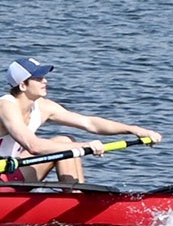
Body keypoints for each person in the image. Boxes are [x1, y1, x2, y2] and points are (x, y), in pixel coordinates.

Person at [0, 56, 162, 184]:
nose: (45, 81)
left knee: (64, 140)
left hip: (10, 171)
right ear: (23, 85)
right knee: (65, 145)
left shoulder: (43, 107)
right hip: (3, 178)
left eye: (44, 76)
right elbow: (33, 146)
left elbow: (89, 123)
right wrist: (83, 146)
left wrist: (135, 129)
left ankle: (77, 198)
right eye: (38, 78)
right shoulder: (6, 106)